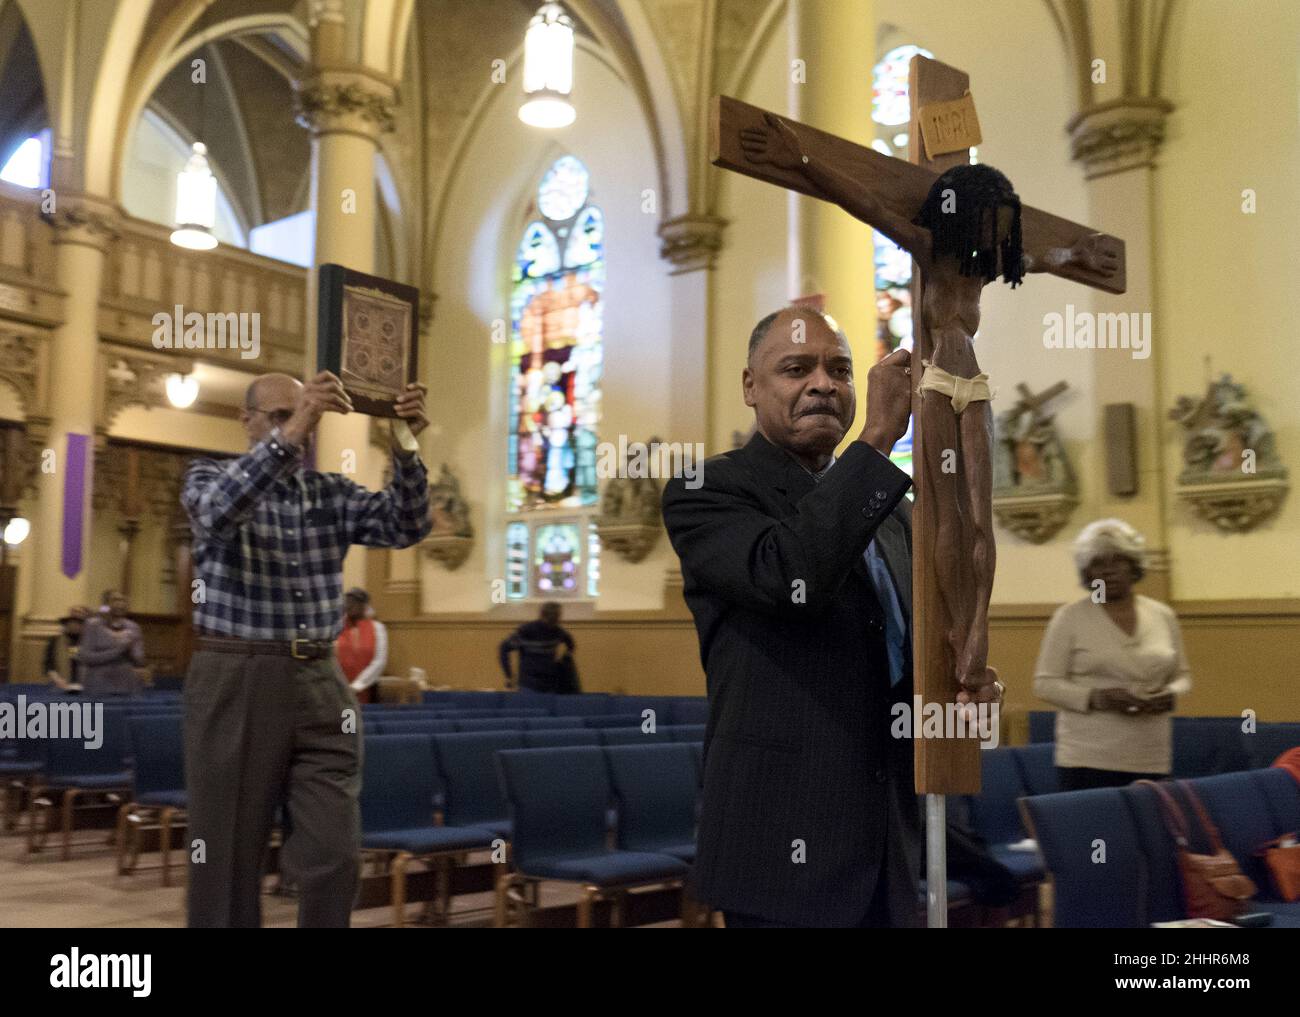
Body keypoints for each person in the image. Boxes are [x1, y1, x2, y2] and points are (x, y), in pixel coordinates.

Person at [663, 306, 1002, 928]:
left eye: (840, 369)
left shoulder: (894, 513)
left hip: (886, 840)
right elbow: (790, 576)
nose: (823, 383)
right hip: (783, 837)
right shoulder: (707, 489)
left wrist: (961, 682)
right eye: (796, 368)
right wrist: (875, 439)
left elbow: (901, 652)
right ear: (749, 387)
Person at [181, 370, 432, 928]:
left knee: (334, 854)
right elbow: (218, 513)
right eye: (275, 415)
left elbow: (407, 524)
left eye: (302, 415)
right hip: (238, 675)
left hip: (320, 680)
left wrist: (405, 441)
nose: (299, 426)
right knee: (227, 856)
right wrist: (293, 429)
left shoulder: (329, 493)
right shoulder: (208, 475)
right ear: (243, 422)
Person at [1033, 519, 1192, 791]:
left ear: (1134, 566)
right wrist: (1097, 697)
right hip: (1088, 756)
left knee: (1148, 832)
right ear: (1087, 572)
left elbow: (1183, 676)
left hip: (1151, 754)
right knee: (1093, 832)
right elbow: (1045, 683)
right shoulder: (1069, 618)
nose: (1108, 571)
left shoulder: (1162, 615)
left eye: (1118, 561)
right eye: (1098, 563)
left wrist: (1171, 695)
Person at [499, 602, 579, 693]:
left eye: (556, 617)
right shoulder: (526, 631)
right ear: (543, 615)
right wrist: (508, 675)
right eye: (552, 617)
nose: (554, 620)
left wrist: (565, 659)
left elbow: (571, 645)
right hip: (529, 684)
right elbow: (504, 648)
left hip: (549, 683)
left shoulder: (558, 631)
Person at [78, 591, 145, 698]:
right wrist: (119, 650)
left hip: (127, 686)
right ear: (105, 605)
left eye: (123, 601)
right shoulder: (93, 625)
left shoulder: (133, 627)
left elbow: (139, 659)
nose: (120, 604)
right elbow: (85, 657)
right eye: (115, 600)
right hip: (99, 687)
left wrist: (131, 649)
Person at [335, 587, 387, 705]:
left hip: (367, 688)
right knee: (346, 722)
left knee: (361, 721)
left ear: (364, 606)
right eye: (347, 602)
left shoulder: (377, 628)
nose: (350, 605)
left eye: (355, 602)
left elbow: (379, 661)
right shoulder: (336, 627)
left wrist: (357, 686)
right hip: (338, 688)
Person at [44, 606, 89, 692]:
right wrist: (57, 679)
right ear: (66, 623)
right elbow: (48, 664)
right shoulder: (55, 640)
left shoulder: (90, 641)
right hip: (60, 686)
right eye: (72, 622)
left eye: (79, 623)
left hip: (86, 687)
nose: (75, 625)